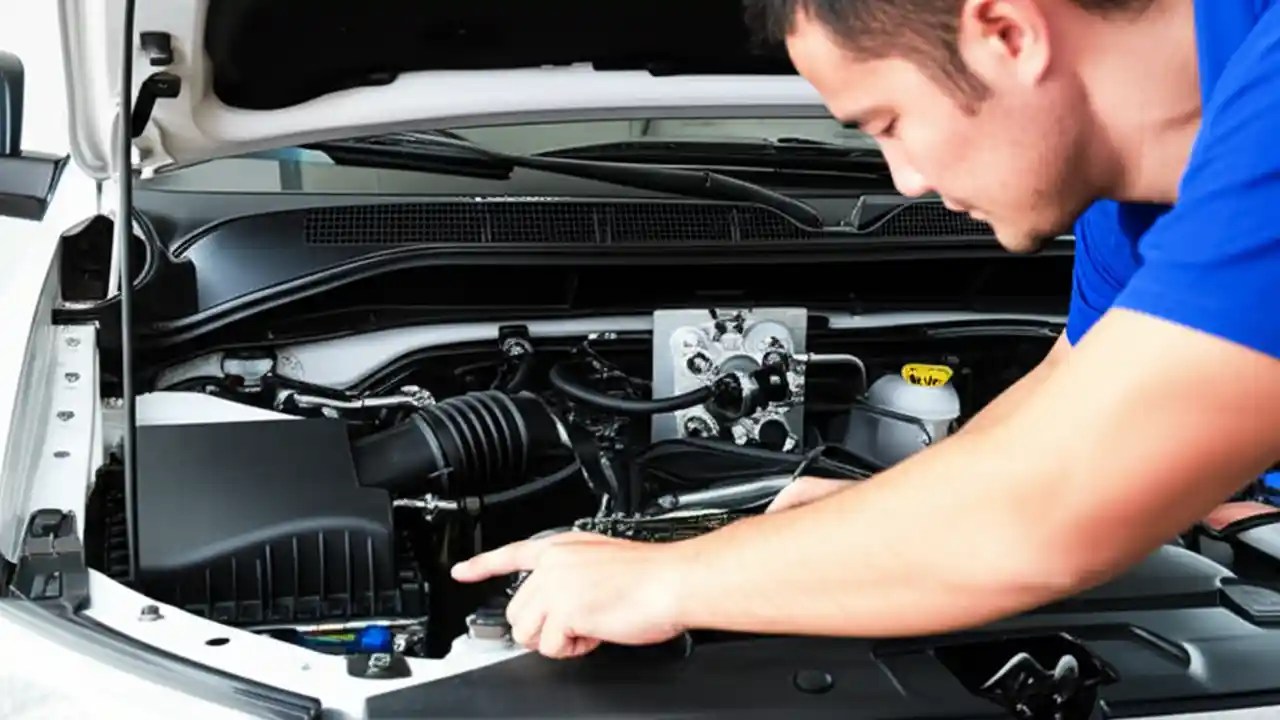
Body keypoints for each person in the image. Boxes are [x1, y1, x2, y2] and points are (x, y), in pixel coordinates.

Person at [451, 0, 1280, 660]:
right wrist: (882, 523)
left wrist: (664, 582)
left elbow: (1051, 506)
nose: (906, 180)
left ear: (1006, 32)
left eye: (887, 122)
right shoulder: (1136, 194)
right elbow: (1070, 403)